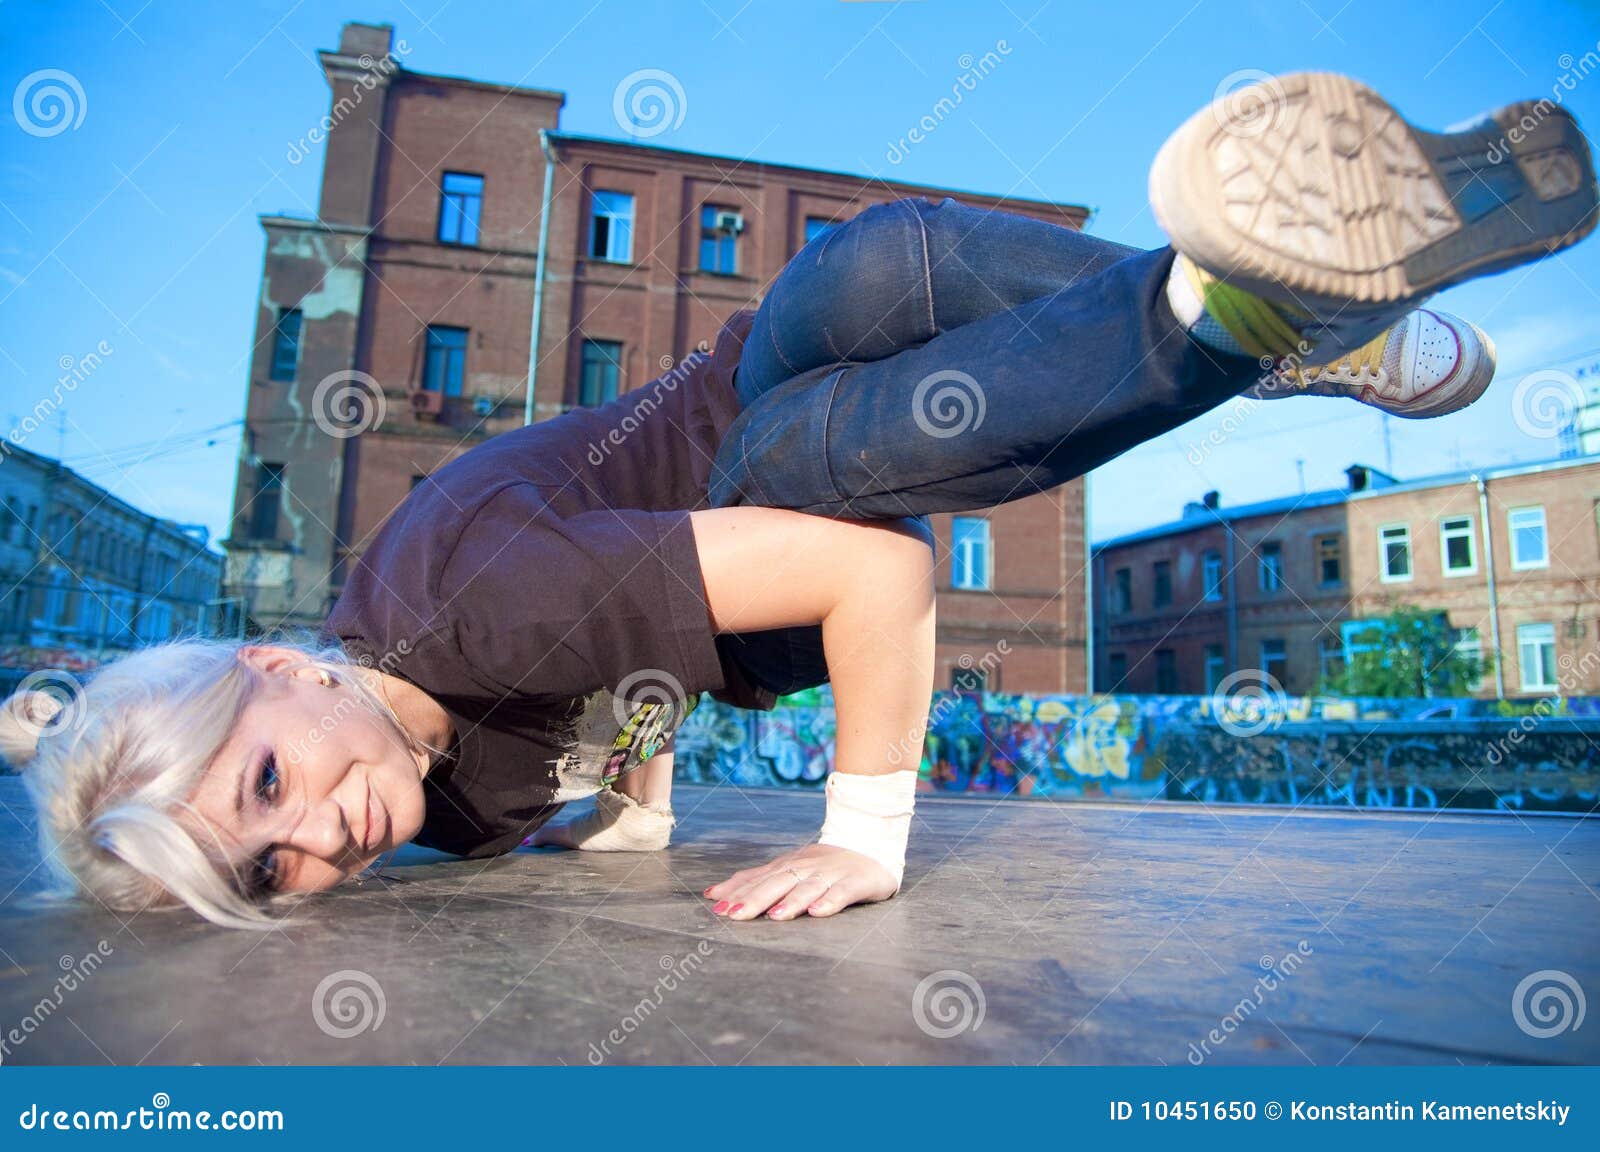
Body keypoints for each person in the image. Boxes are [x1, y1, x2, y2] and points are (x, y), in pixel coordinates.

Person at [2, 72, 1593, 929]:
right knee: (855, 323)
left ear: (280, 667)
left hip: (765, 437)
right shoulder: (439, 789)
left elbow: (878, 589)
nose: (319, 839)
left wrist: (865, 840)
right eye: (265, 871)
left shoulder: (470, 617)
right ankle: (1264, 325)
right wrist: (634, 804)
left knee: (879, 261)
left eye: (269, 786)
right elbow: (601, 709)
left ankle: (1263, 318)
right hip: (770, 422)